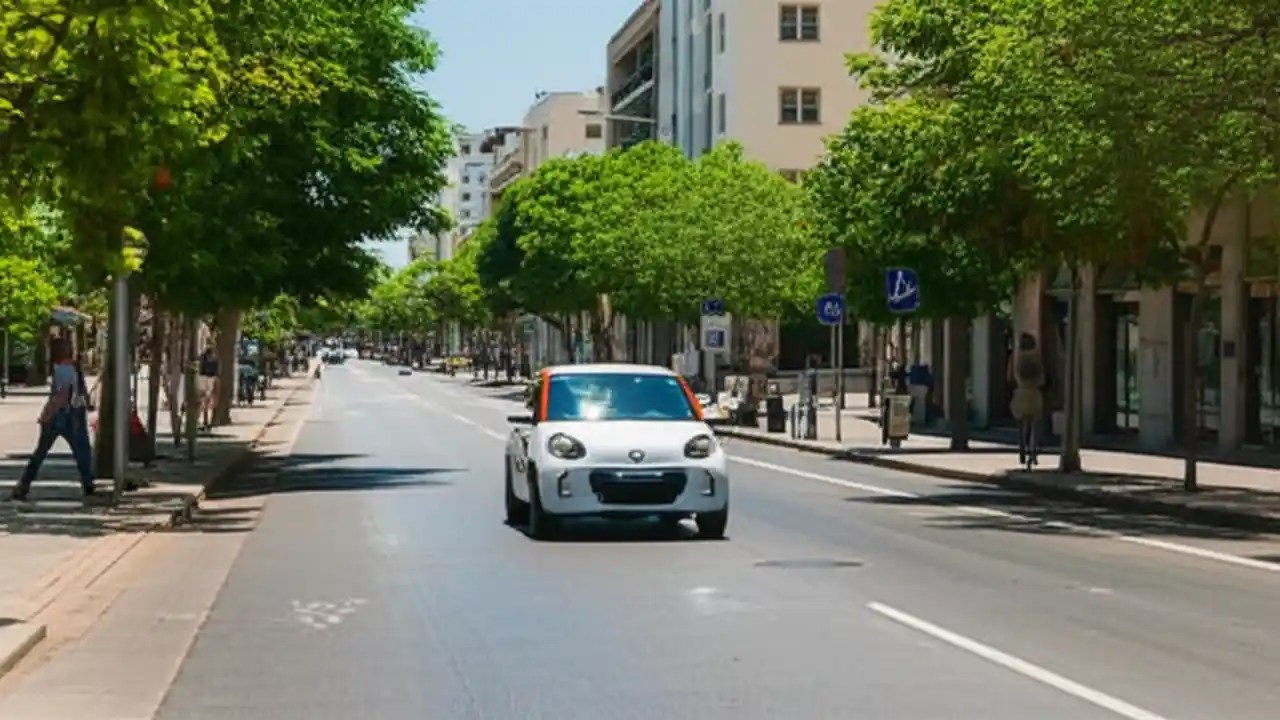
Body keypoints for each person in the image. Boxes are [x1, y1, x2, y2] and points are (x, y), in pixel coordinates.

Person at [9, 338, 97, 502]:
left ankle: (23, 485)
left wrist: (47, 414)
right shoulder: (74, 368)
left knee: (40, 452)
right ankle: (88, 483)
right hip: (75, 414)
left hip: (61, 415)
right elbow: (79, 393)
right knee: (82, 450)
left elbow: (61, 396)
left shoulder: (62, 369)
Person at [1008, 332, 1046, 467]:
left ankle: (1022, 449)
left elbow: (1010, 377)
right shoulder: (1037, 358)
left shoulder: (1016, 358)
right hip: (1034, 393)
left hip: (1021, 392)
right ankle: (1033, 452)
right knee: (1035, 425)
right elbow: (1042, 378)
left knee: (1022, 426)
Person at [198, 346, 219, 431]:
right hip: (208, 379)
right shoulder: (214, 360)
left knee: (205, 402)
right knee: (207, 402)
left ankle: (205, 422)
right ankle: (206, 422)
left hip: (205, 379)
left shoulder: (203, 359)